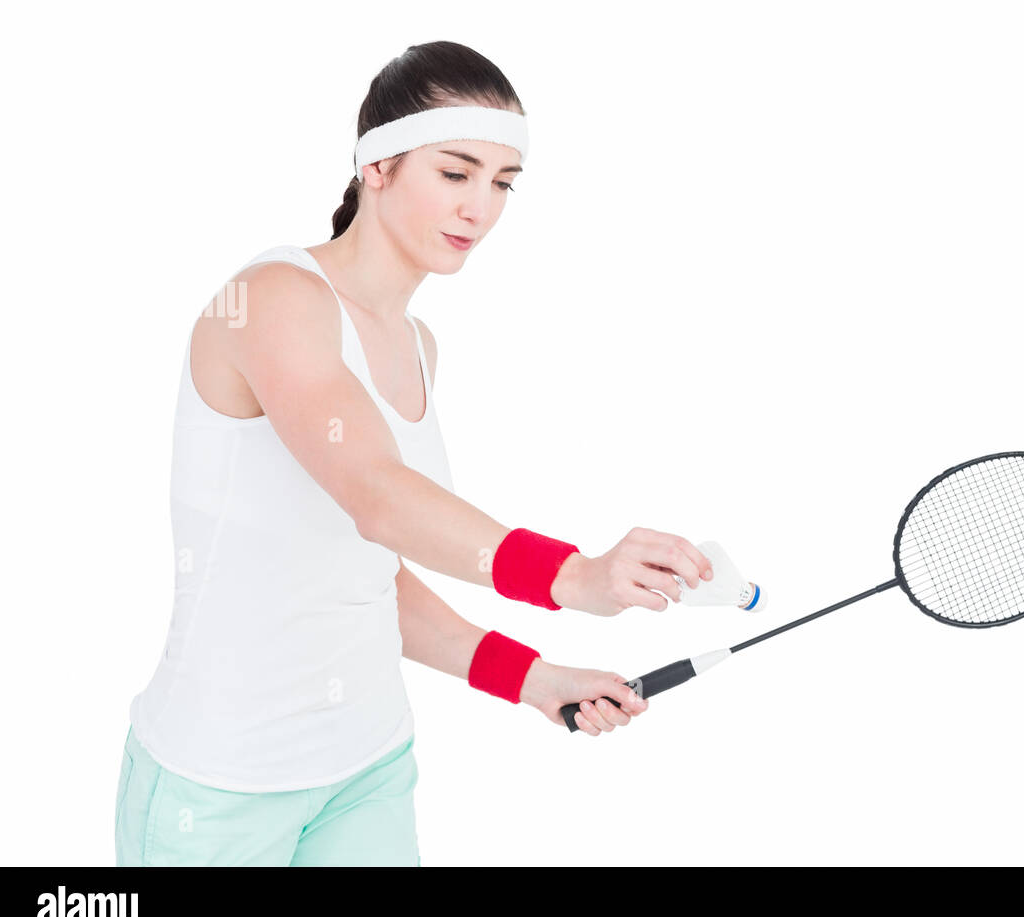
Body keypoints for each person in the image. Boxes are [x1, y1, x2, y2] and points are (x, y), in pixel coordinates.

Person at [114, 40, 712, 866]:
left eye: (503, 183)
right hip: (219, 789)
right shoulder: (274, 299)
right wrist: (573, 576)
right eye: (456, 172)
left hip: (369, 768)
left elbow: (365, 577)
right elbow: (377, 495)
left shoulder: (419, 346)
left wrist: (534, 677)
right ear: (378, 166)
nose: (482, 207)